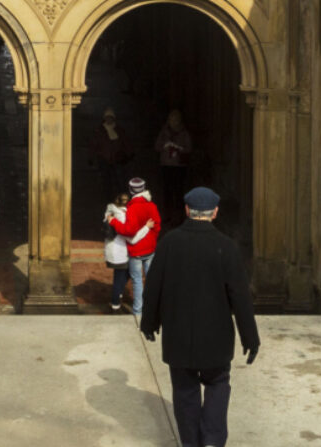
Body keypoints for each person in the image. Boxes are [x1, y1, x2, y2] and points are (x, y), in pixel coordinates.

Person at [141, 187, 259, 447]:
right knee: (218, 385)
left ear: (186, 210)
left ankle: (191, 442)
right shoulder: (226, 247)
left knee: (184, 392)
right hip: (216, 338)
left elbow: (153, 287)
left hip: (179, 337)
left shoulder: (169, 243)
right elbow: (240, 297)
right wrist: (250, 337)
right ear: (215, 212)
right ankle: (213, 441)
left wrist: (149, 322)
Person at [112, 176, 162, 319]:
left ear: (130, 190)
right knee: (151, 280)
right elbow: (157, 226)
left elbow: (129, 230)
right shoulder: (152, 206)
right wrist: (151, 239)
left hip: (136, 251)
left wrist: (114, 222)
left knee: (137, 281)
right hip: (150, 249)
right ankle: (152, 308)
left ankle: (138, 311)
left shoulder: (132, 208)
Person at [102, 192, 135, 313]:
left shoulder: (111, 210)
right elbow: (126, 230)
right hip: (120, 250)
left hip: (118, 249)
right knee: (121, 275)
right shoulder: (119, 213)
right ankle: (115, 302)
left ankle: (119, 294)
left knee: (125, 273)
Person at [157, 109, 195, 207]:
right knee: (167, 190)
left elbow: (189, 148)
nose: (174, 122)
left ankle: (178, 213)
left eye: (176, 120)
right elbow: (157, 146)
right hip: (166, 164)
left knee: (178, 190)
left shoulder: (184, 133)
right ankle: (167, 212)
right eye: (172, 120)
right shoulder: (164, 132)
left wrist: (179, 148)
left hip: (179, 165)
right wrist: (164, 146)